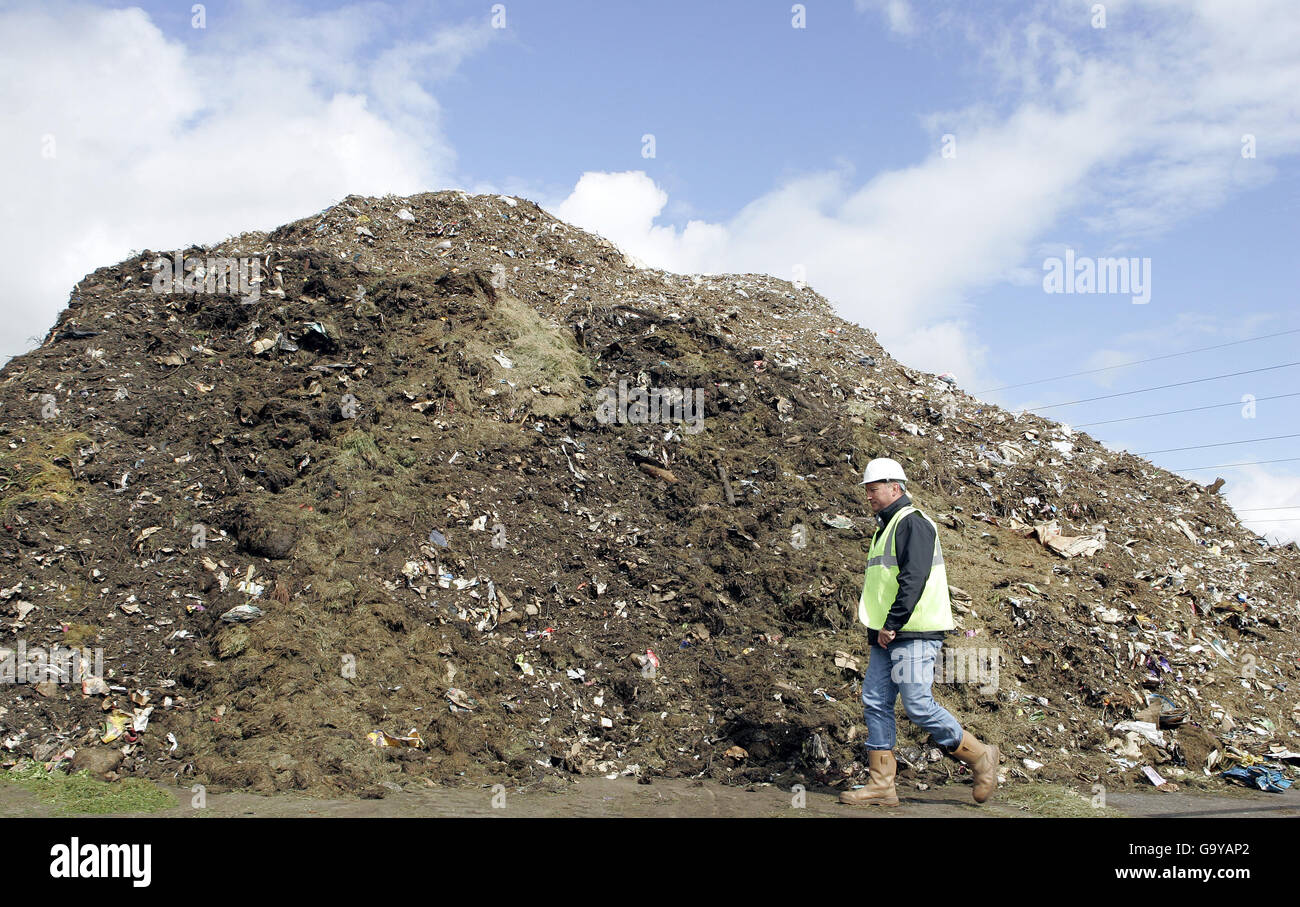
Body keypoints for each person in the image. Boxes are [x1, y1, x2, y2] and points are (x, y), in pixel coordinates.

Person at [839, 457, 1000, 807]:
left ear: (895, 487)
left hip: (913, 631)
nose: (869, 496)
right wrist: (882, 628)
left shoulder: (913, 523)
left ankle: (980, 756)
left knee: (917, 704)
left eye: (874, 489)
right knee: (876, 702)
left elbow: (914, 578)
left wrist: (893, 623)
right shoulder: (887, 525)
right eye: (867, 490)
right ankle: (882, 784)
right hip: (887, 633)